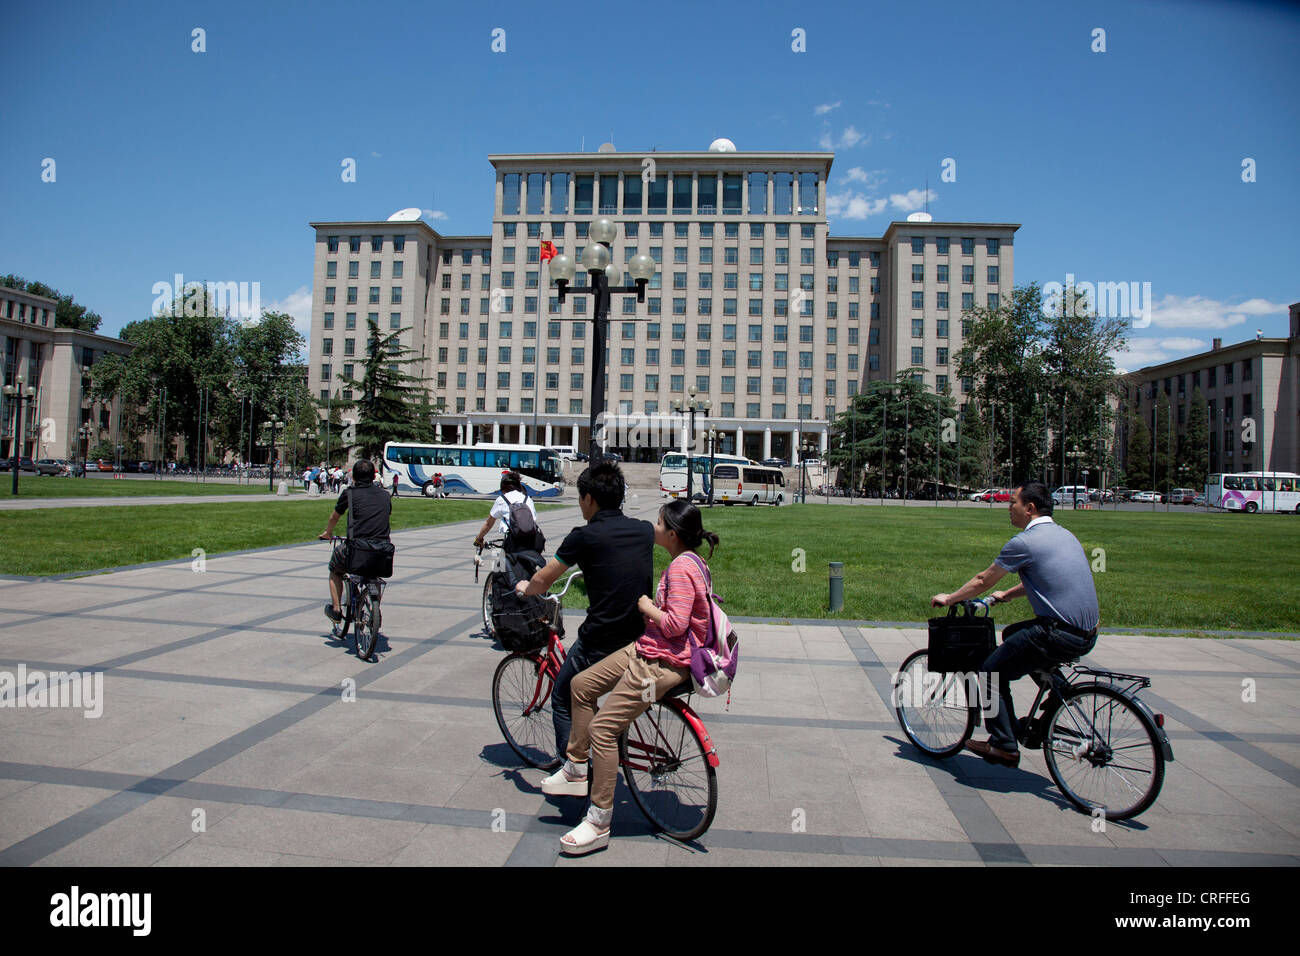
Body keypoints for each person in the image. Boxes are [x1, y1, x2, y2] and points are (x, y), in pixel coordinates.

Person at [536, 499, 719, 855]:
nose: (655, 527)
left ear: (673, 533)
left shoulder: (682, 568)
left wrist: (647, 606)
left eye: (660, 523)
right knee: (580, 684)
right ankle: (575, 766)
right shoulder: (692, 560)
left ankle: (599, 820)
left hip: (663, 663)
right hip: (648, 648)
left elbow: (676, 624)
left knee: (603, 730)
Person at [930, 480, 1099, 768]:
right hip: (1086, 633)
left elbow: (984, 580)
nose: (1008, 508)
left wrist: (950, 599)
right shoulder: (1064, 535)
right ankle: (1057, 693)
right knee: (1011, 634)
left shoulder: (1025, 542)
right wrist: (1007, 595)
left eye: (1013, 503)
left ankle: (1004, 745)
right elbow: (1047, 578)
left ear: (1029, 508)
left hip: (1056, 633)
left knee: (990, 672)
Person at [514, 462, 654, 772]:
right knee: (589, 693)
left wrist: (526, 587)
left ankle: (571, 768)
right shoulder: (643, 530)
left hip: (601, 641)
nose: (580, 504)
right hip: (640, 637)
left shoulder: (583, 536)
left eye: (580, 498)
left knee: (564, 697)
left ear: (589, 498)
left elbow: (545, 579)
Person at [318, 459, 393, 623]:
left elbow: (334, 516)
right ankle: (374, 608)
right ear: (374, 476)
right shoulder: (385, 496)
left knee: (335, 569)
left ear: (354, 476)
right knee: (374, 576)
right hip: (382, 550)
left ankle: (336, 610)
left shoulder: (350, 493)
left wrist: (328, 533)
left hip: (358, 549)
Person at [474, 471, 543, 555]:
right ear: (519, 486)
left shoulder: (502, 499)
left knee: (506, 563)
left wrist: (479, 538)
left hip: (512, 541)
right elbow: (533, 519)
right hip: (531, 540)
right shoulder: (527, 499)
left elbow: (489, 523)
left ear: (503, 488)